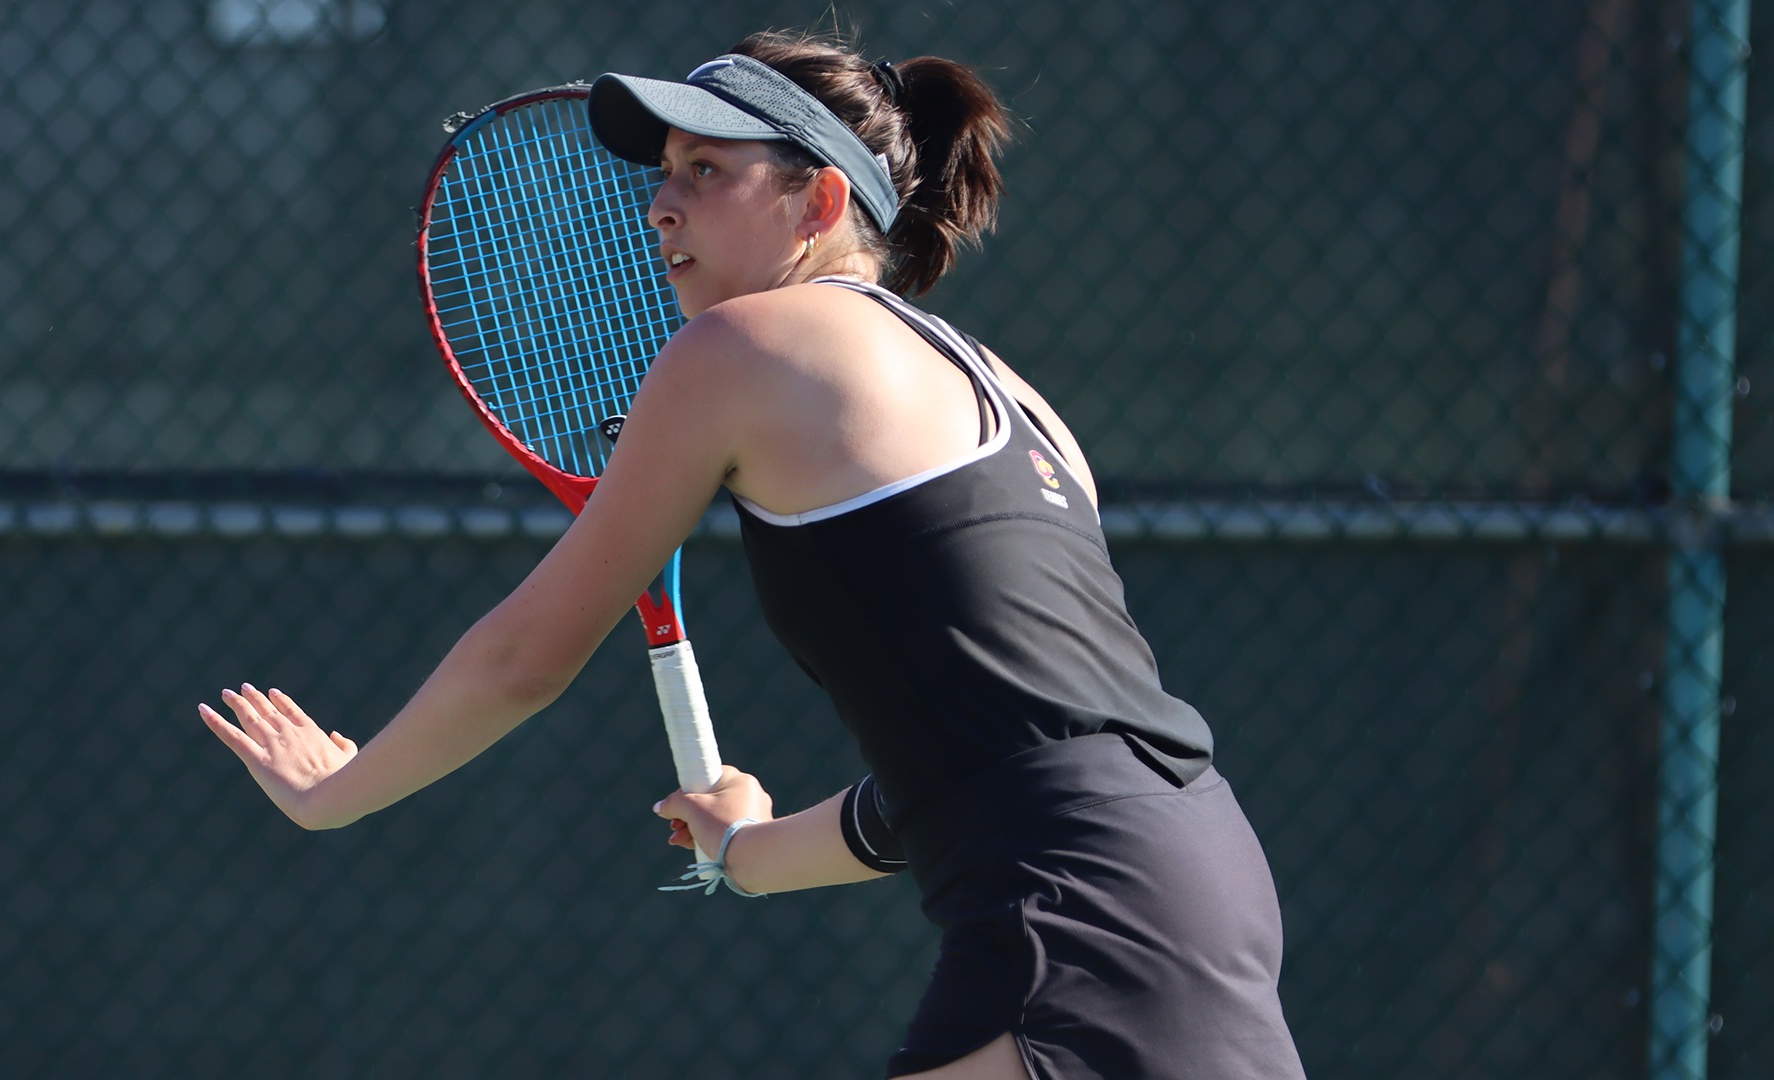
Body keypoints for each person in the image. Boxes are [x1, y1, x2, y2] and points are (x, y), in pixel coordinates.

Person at [200, 29, 1306, 1080]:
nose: (658, 206)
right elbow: (991, 753)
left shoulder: (739, 344)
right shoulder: (1013, 396)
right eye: (663, 170)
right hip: (1192, 873)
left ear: (818, 200)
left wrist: (339, 792)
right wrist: (751, 851)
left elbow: (525, 658)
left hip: (1072, 905)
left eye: (706, 170)